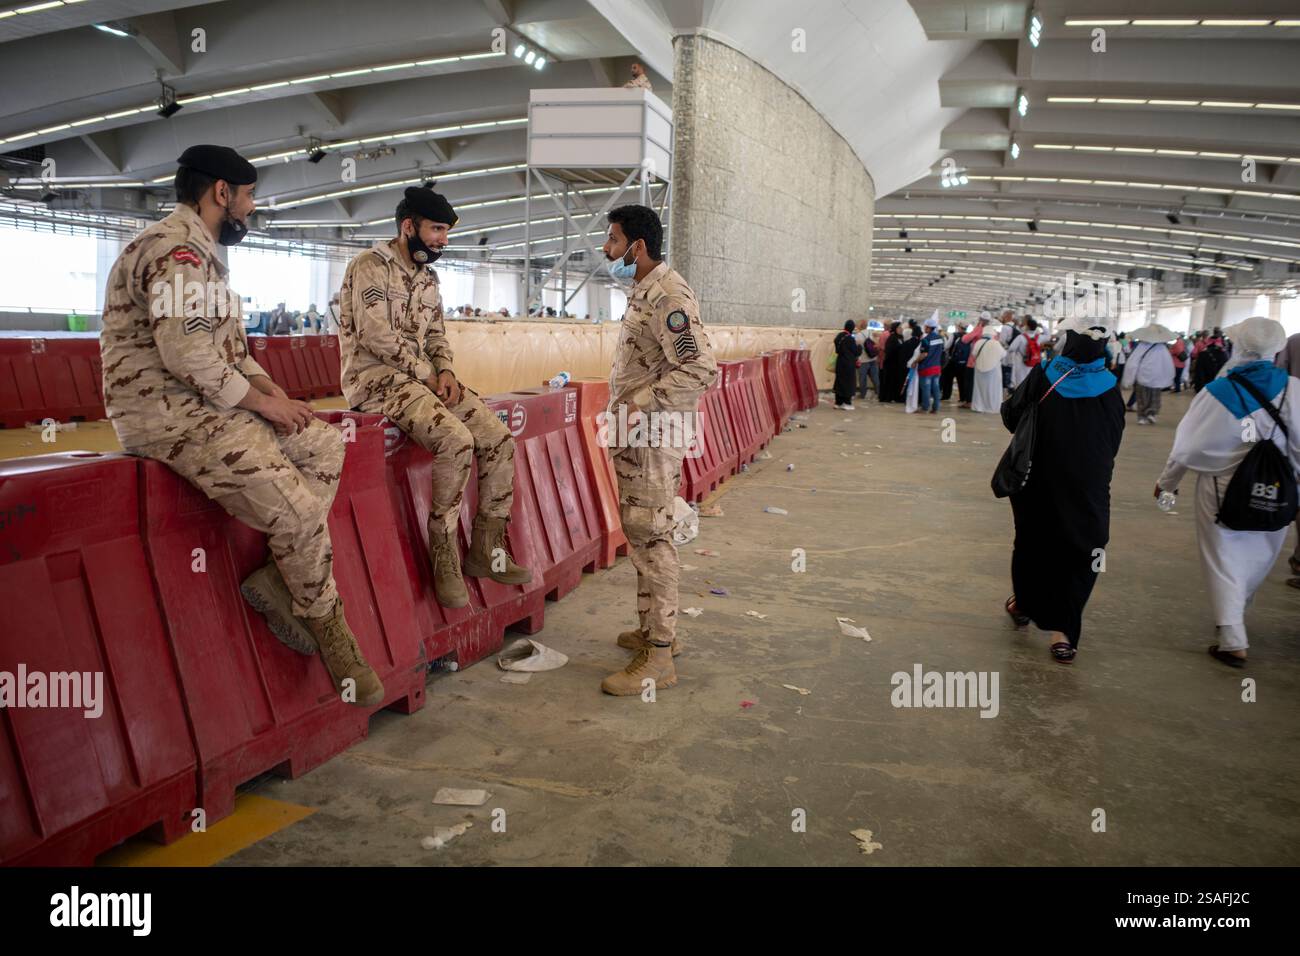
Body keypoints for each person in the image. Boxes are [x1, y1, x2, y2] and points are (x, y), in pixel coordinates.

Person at [99, 144, 383, 706]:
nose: (252, 208)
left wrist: (271, 389)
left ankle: (281, 580)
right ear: (221, 193)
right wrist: (261, 404)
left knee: (324, 445)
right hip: (167, 414)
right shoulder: (176, 253)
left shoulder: (203, 255)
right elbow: (186, 356)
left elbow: (226, 347)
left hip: (207, 405)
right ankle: (332, 634)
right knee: (300, 510)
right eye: (249, 196)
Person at [337, 185, 531, 609]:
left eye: (446, 231)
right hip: (376, 380)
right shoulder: (369, 267)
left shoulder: (429, 278)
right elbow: (376, 336)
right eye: (437, 229)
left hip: (423, 379)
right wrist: (428, 372)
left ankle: (486, 549)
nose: (443, 239)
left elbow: (437, 334)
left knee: (497, 439)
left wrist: (444, 369)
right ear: (409, 226)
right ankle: (444, 554)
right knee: (456, 440)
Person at [601, 204, 718, 696]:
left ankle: (662, 655)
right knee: (642, 532)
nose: (608, 250)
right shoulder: (643, 291)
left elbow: (699, 369)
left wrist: (637, 407)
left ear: (638, 246)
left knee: (652, 536)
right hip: (636, 432)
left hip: (652, 434)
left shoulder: (668, 295)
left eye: (613, 240)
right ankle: (652, 629)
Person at [1156, 317, 1300, 666]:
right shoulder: (1295, 389)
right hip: (1279, 487)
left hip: (1223, 486)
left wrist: (1168, 483)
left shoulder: (1218, 391)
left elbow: (1187, 447)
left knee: (1224, 559)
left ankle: (1234, 636)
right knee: (1259, 557)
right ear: (1276, 348)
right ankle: (1234, 618)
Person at [1002, 323, 1125, 663]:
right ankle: (1064, 634)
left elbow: (1012, 416)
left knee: (1032, 542)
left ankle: (1023, 604)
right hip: (1089, 485)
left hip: (1037, 479)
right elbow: (1114, 438)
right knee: (1086, 549)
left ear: (1067, 345)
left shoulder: (1045, 374)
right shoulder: (1110, 387)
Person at [1122, 329, 1176, 424]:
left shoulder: (1142, 346)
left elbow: (1133, 362)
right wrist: (1167, 376)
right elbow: (1167, 364)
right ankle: (1151, 414)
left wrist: (1129, 378)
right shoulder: (1162, 348)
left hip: (1143, 375)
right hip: (1155, 376)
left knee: (1142, 397)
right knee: (1154, 396)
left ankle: (1143, 416)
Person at [959, 312, 992, 408]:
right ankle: (980, 401)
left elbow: (964, 339)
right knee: (981, 383)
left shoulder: (979, 329)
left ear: (980, 320)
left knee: (969, 382)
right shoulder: (992, 331)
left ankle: (969, 402)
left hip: (973, 361)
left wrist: (977, 328)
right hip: (986, 361)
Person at [970, 325, 1006, 413]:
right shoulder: (996, 343)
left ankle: (979, 406)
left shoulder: (978, 342)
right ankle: (992, 407)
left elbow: (974, 354)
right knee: (993, 389)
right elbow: (1004, 354)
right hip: (993, 372)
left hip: (979, 370)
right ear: (992, 334)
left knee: (979, 389)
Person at [916, 315, 945, 414]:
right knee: (936, 388)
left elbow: (924, 354)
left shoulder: (926, 339)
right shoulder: (940, 338)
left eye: (925, 326)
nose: (924, 328)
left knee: (926, 389)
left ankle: (925, 408)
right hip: (937, 368)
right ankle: (935, 408)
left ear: (928, 327)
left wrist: (915, 361)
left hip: (926, 368)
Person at [833, 319, 862, 410]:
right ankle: (847, 403)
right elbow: (856, 352)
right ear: (852, 328)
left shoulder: (839, 336)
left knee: (839, 382)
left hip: (840, 362)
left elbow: (837, 350)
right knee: (848, 383)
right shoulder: (850, 338)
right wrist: (860, 347)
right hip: (848, 364)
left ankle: (838, 402)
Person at [880, 321, 904, 403]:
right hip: (891, 364)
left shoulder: (900, 337)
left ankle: (895, 396)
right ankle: (888, 397)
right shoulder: (892, 338)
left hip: (897, 364)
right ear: (895, 328)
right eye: (899, 328)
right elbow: (889, 351)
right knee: (889, 381)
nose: (901, 329)